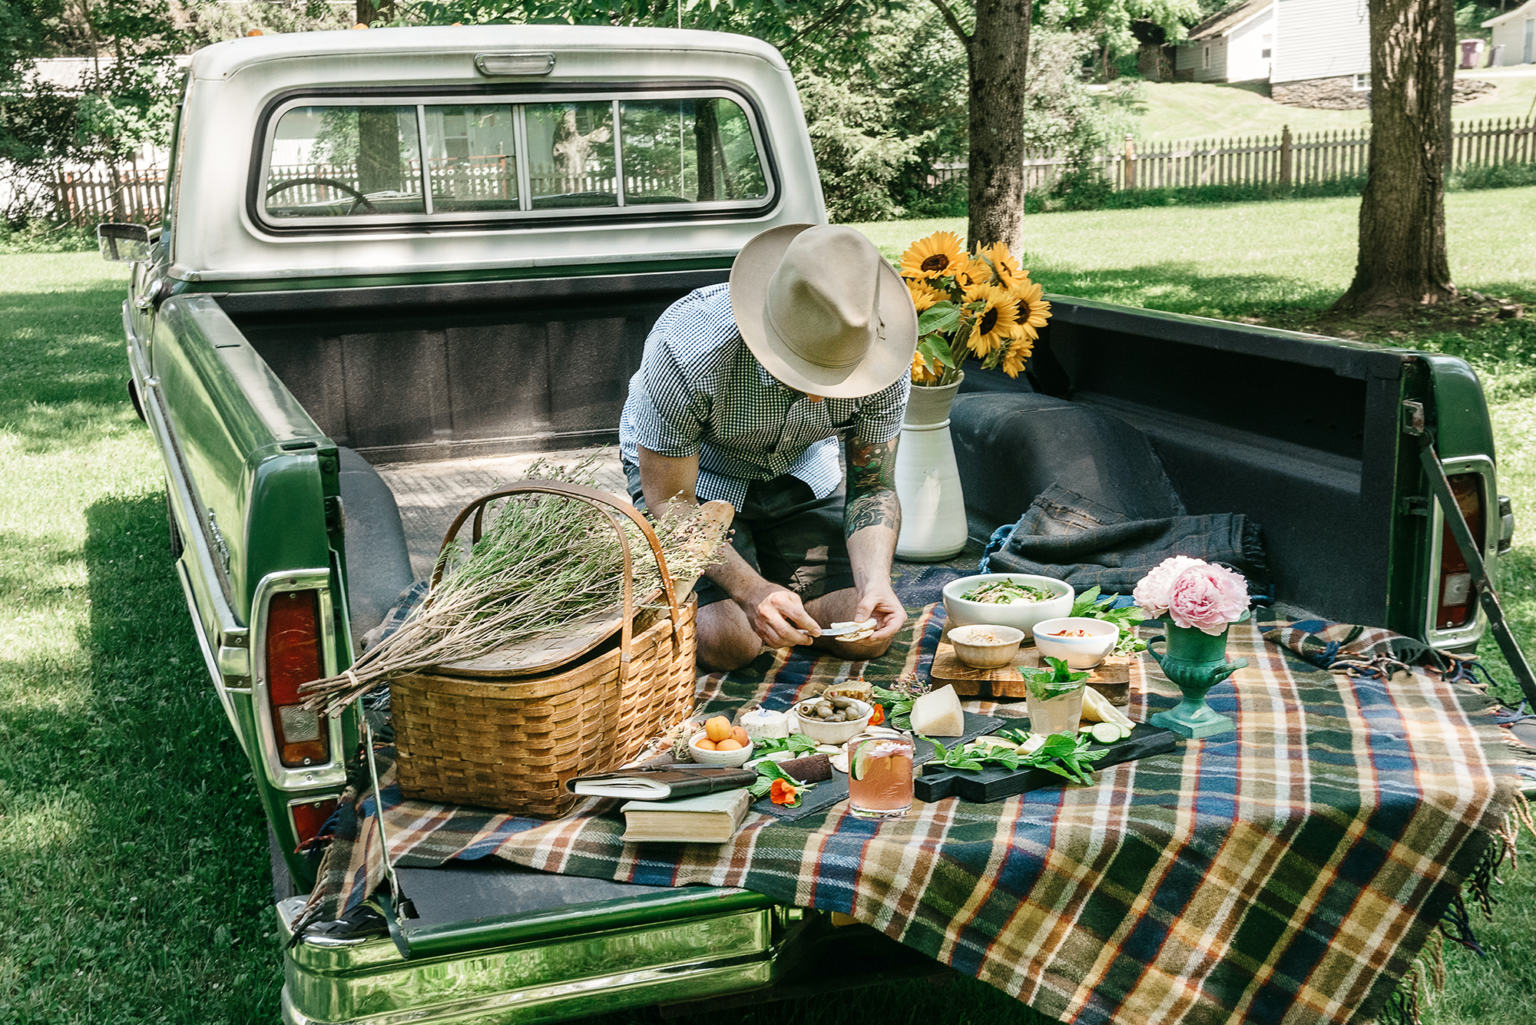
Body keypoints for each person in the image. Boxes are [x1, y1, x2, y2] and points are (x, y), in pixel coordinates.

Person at [618, 223, 918, 671]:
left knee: (866, 633)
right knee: (730, 643)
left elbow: (872, 488)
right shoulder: (685, 349)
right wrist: (753, 591)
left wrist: (875, 581)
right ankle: (760, 600)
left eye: (837, 376)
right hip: (696, 481)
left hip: (799, 471)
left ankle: (778, 609)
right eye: (804, 372)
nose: (820, 397)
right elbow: (670, 501)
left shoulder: (886, 363)